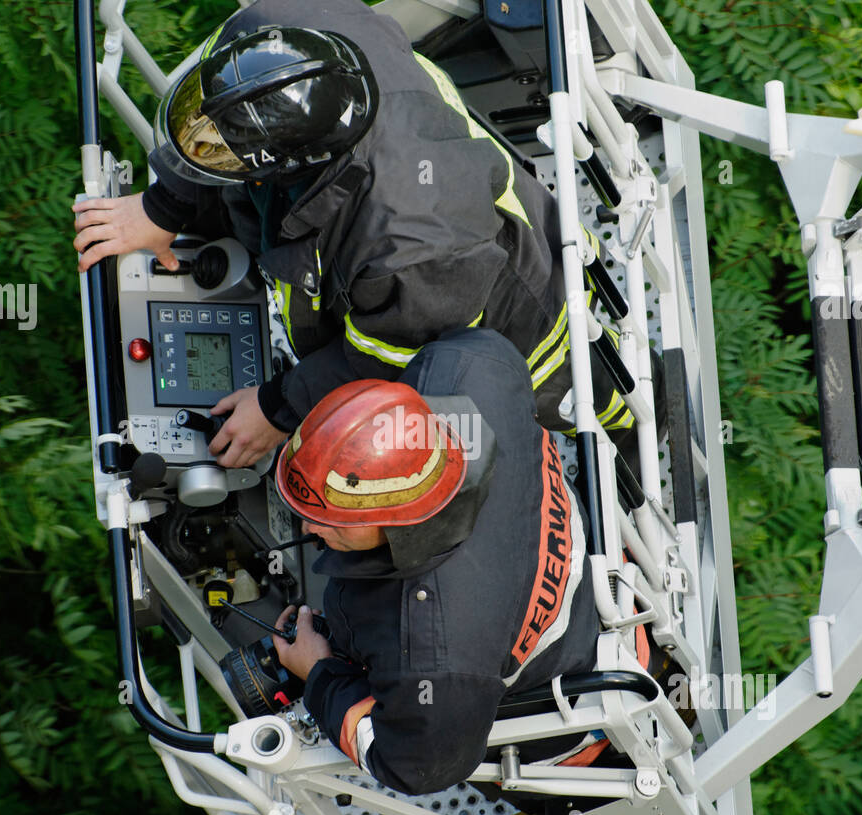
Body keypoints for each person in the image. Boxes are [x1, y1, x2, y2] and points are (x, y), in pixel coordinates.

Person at [71, 0, 651, 473]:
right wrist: (162, 207)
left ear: (298, 164)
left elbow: (381, 359)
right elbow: (231, 110)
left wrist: (278, 409)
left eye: (226, 156)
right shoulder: (284, 25)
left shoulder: (412, 249)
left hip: (534, 315)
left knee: (596, 403)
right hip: (424, 225)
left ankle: (634, 428)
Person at [266, 328, 605, 795]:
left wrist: (320, 675)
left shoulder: (432, 652)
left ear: (396, 520)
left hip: (570, 749)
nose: (308, 530)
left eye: (330, 520)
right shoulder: (469, 366)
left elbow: (416, 767)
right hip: (587, 580)